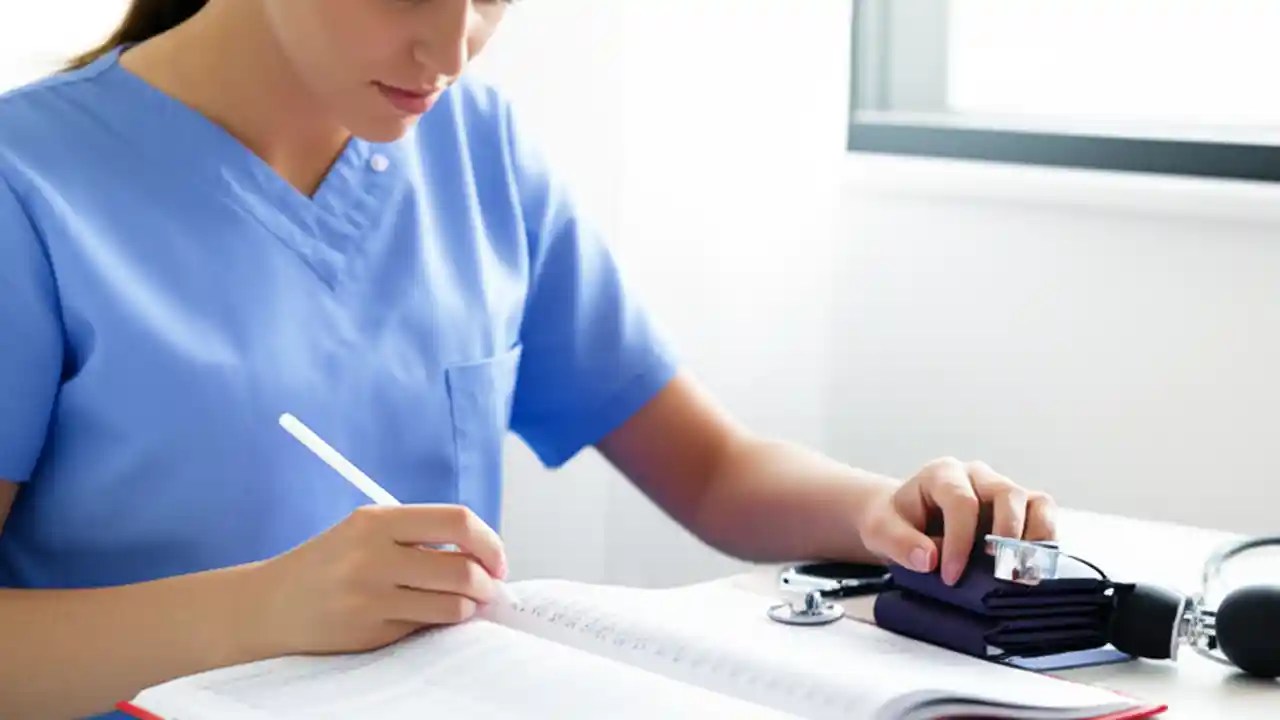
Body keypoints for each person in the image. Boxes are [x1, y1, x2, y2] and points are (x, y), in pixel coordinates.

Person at [0, 1, 1058, 717]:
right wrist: (260, 613)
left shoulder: (472, 149)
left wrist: (888, 511)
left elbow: (712, 472)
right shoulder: (26, 189)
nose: (453, 52)